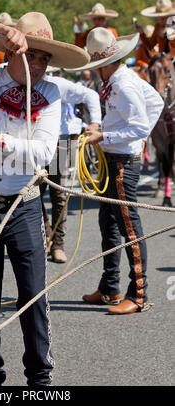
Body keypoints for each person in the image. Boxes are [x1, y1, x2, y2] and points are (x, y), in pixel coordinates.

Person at [0, 11, 89, 386]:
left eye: (44, 58)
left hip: (22, 208)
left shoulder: (50, 93)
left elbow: (43, 154)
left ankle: (40, 380)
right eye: (31, 54)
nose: (38, 64)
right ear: (10, 50)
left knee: (32, 297)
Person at [72, 27, 164, 314]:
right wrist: (106, 130)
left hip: (123, 162)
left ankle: (138, 294)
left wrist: (107, 137)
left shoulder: (123, 84)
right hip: (115, 158)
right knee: (109, 225)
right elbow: (156, 102)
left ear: (103, 64)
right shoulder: (121, 79)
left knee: (128, 227)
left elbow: (137, 127)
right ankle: (110, 288)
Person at [40, 67, 101, 263]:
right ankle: (46, 232)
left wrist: (95, 123)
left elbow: (90, 94)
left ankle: (58, 244)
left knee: (59, 194)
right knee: (31, 194)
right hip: (31, 145)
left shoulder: (57, 84)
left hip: (59, 143)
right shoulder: (17, 81)